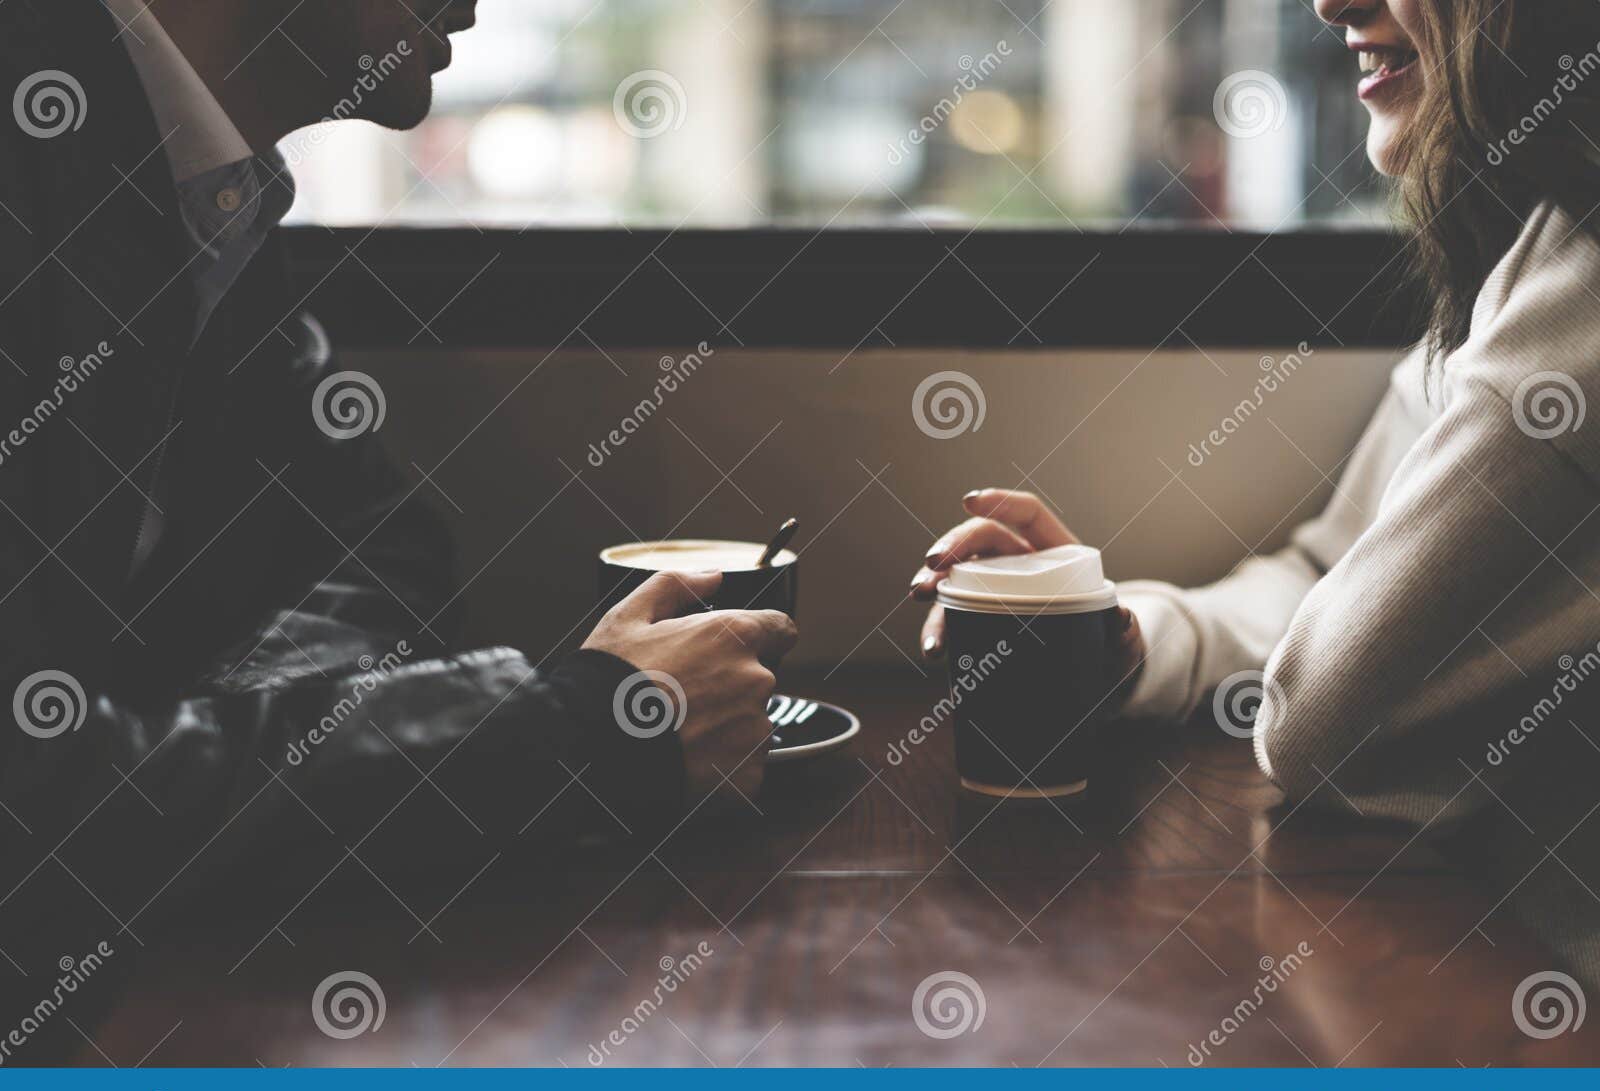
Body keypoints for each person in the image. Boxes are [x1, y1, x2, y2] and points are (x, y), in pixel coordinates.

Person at [0, 0, 793, 1015]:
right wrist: (575, 730)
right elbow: (28, 809)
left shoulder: (203, 191)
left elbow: (379, 545)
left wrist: (200, 755)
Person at [913, 0, 1600, 983]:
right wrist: (1130, 637)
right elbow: (1340, 568)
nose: (1330, 5)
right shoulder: (1518, 251)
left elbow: (1329, 728)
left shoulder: (1575, 299)